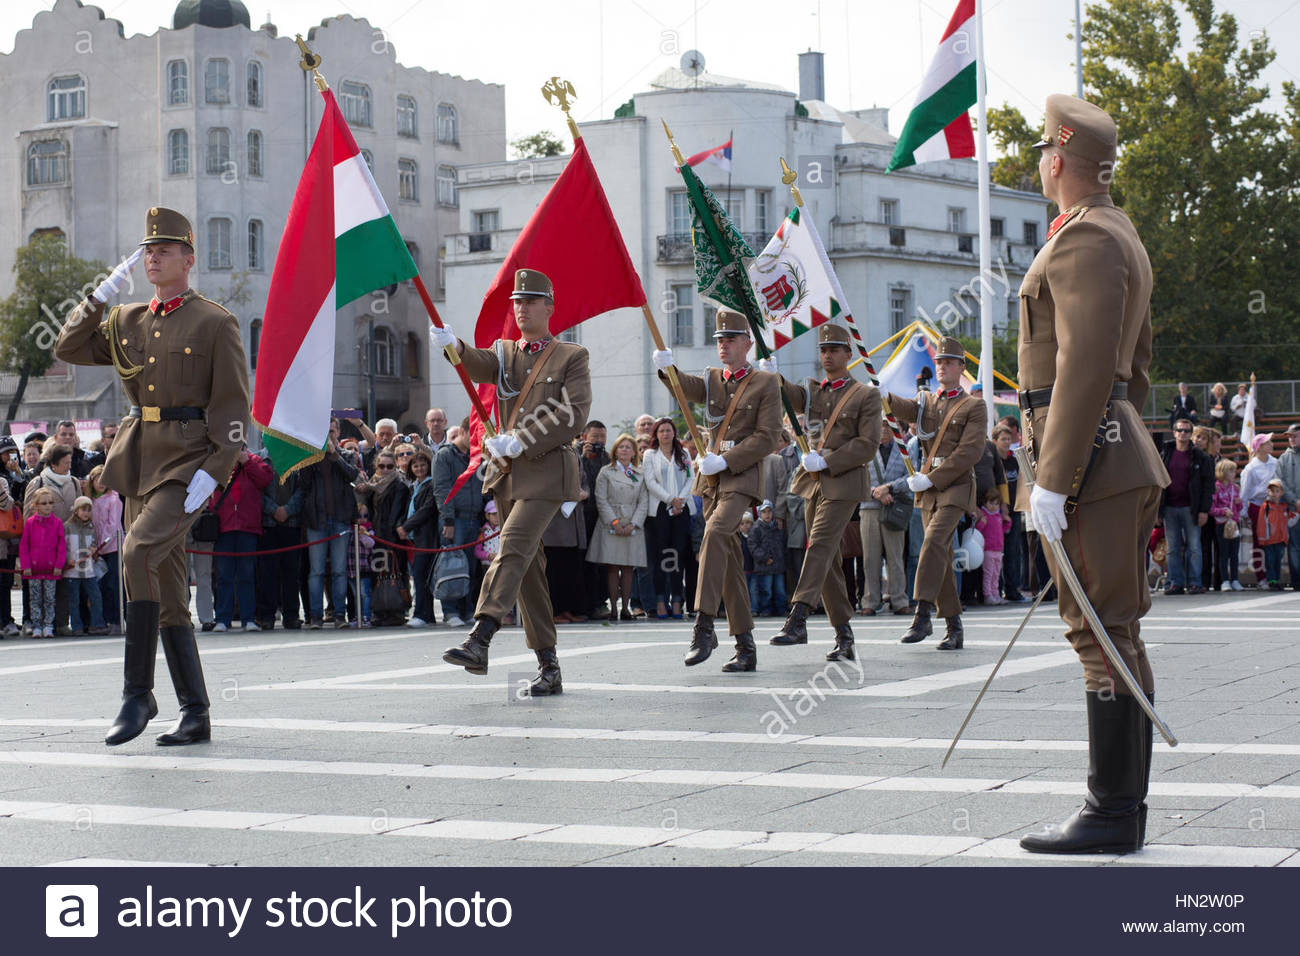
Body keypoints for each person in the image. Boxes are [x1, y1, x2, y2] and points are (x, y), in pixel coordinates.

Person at [1013, 96, 1169, 855]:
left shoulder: (1084, 241)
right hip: (1109, 450)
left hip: (1088, 460)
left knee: (1098, 633)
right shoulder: (1119, 235)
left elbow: (1082, 368)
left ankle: (1110, 813)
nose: (1039, 162)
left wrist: (1055, 474)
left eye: (1043, 151)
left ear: (1057, 160)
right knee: (1114, 630)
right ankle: (1120, 810)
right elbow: (1133, 369)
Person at [54, 206, 249, 746]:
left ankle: (137, 692)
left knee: (136, 554)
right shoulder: (126, 320)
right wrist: (98, 299)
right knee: (165, 593)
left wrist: (217, 468)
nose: (153, 256)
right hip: (139, 464)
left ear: (189, 258)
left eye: (165, 249)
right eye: (148, 251)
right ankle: (196, 712)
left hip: (188, 467)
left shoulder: (214, 321)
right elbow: (67, 348)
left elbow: (234, 404)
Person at [432, 268, 591, 696]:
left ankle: (480, 636)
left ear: (549, 307)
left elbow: (573, 414)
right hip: (507, 476)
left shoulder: (570, 356)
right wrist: (455, 346)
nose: (520, 308)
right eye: (516, 302)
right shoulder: (505, 352)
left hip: (547, 471)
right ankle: (549, 665)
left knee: (513, 546)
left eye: (529, 301)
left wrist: (521, 440)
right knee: (528, 570)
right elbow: (478, 363)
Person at [652, 309, 781, 672]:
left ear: (747, 344)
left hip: (740, 476)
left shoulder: (765, 383)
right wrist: (667, 370)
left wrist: (726, 460)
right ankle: (745, 646)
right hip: (710, 481)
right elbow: (685, 389)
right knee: (728, 565)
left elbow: (769, 436)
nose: (723, 345)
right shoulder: (712, 377)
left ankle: (704, 624)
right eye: (719, 340)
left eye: (730, 340)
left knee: (715, 532)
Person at [767, 324, 882, 661]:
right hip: (812, 483)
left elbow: (867, 444)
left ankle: (798, 616)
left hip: (843, 481)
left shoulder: (865, 395)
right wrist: (773, 375)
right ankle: (844, 637)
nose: (828, 355)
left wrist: (828, 460)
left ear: (849, 354)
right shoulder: (815, 391)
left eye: (834, 349)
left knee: (818, 544)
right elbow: (789, 397)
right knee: (828, 561)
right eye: (823, 350)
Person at [886, 336, 988, 650]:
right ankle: (954, 627)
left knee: (932, 542)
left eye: (948, 362)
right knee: (940, 554)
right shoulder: (925, 401)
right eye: (939, 362)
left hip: (955, 486)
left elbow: (968, 453)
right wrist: (880, 394)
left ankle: (923, 613)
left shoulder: (974, 405)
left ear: (961, 367)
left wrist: (932, 480)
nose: (942, 366)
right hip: (927, 489)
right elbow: (900, 407)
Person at [208, 445, 273, 632]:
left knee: (247, 575)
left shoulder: (254, 460)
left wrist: (247, 462)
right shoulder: (220, 462)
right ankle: (222, 618)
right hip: (224, 526)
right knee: (223, 576)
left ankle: (248, 618)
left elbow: (264, 479)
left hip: (248, 527)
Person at [587, 432, 649, 622]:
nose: (624, 450)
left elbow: (643, 501)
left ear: (634, 452)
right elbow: (601, 498)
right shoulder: (606, 471)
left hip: (632, 522)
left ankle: (627, 608)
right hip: (610, 522)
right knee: (612, 567)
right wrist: (614, 522)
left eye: (628, 447)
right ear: (615, 451)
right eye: (621, 447)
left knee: (628, 568)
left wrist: (634, 523)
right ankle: (613, 607)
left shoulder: (639, 473)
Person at [642, 417, 695, 619]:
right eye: (661, 430)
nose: (665, 434)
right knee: (662, 555)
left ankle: (677, 599)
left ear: (674, 433)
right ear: (656, 434)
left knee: (677, 555)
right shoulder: (650, 455)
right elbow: (650, 481)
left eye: (669, 430)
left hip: (681, 509)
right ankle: (660, 599)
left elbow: (691, 477)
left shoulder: (684, 454)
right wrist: (670, 499)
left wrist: (680, 499)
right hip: (661, 510)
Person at [432, 418, 482, 627]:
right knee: (452, 566)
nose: (477, 440)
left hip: (473, 517)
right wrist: (448, 519)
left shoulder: (477, 456)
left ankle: (467, 609)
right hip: (455, 518)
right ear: (462, 431)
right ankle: (450, 611)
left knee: (469, 567)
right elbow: (442, 489)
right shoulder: (444, 455)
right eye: (474, 435)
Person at [1158, 419, 1213, 595]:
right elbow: (1158, 482)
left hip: (1191, 507)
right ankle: (1175, 582)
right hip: (1169, 507)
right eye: (1180, 430)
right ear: (1174, 432)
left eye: (1187, 431)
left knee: (1194, 548)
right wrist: (1157, 511)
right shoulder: (1165, 453)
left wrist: (1204, 510)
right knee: (1172, 548)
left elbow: (1208, 486)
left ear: (1190, 434)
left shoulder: (1200, 456)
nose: (1183, 433)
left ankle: (1195, 583)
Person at [860, 433, 912, 618]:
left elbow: (911, 476)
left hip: (894, 507)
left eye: (885, 425)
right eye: (879, 425)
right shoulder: (865, 447)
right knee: (870, 558)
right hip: (869, 507)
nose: (882, 430)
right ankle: (870, 601)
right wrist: (877, 492)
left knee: (895, 556)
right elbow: (857, 476)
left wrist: (889, 488)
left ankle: (899, 600)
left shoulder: (903, 448)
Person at [361, 449, 410, 626]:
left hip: (392, 538)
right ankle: (380, 611)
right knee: (378, 575)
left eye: (390, 466)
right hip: (375, 536)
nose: (386, 469)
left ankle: (397, 611)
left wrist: (388, 539)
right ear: (376, 467)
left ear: (395, 466)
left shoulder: (399, 485)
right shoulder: (372, 486)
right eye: (382, 466)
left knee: (395, 574)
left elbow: (397, 512)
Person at [255, 456, 304, 631]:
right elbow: (256, 490)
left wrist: (287, 510)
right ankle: (266, 616)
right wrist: (274, 510)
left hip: (292, 524)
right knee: (267, 572)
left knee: (291, 573)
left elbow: (302, 489)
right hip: (268, 524)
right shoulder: (259, 459)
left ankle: (291, 616)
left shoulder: (296, 457)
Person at [396, 447, 439, 628]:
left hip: (426, 537)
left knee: (421, 576)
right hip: (414, 538)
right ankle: (427, 615)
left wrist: (406, 526)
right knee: (420, 576)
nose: (419, 469)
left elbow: (427, 510)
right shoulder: (413, 486)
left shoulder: (431, 485)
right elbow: (407, 508)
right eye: (416, 466)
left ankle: (421, 614)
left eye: (422, 465)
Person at [20, 488, 65, 638]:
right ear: (35, 505)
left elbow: (61, 545)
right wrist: (25, 565)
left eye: (50, 503)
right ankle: (37, 625)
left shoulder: (57, 523)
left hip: (51, 570)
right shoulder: (30, 523)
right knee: (35, 599)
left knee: (50, 599)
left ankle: (48, 625)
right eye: (44, 503)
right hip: (34, 569)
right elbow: (24, 545)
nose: (47, 506)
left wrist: (59, 565)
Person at [577, 420, 611, 620]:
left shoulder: (607, 457)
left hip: (603, 515)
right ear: (584, 437)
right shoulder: (577, 455)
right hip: (583, 515)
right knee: (584, 562)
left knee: (601, 562)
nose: (599, 441)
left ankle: (600, 602)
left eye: (602, 437)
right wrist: (585, 456)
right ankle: (585, 604)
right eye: (595, 437)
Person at [85, 466, 123, 634]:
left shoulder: (114, 499)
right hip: (96, 550)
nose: (101, 483)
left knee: (113, 584)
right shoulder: (89, 501)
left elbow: (112, 525)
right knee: (100, 585)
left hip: (111, 547)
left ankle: (116, 619)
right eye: (97, 479)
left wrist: (100, 546)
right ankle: (104, 619)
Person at [64, 495, 107, 635]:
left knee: (96, 596)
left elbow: (94, 542)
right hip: (72, 570)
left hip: (88, 570)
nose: (86, 513)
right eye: (83, 509)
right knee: (74, 600)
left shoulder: (91, 527)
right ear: (76, 510)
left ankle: (97, 624)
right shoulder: (67, 527)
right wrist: (66, 560)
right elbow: (62, 546)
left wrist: (94, 550)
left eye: (89, 510)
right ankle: (77, 626)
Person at [1210, 458, 1245, 591]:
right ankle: (1225, 580)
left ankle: (1235, 579)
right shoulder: (1216, 488)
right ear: (1223, 472)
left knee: (1234, 553)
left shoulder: (1235, 487)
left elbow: (1240, 507)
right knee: (1223, 553)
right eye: (1231, 471)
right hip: (1222, 524)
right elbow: (1211, 509)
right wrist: (1223, 511)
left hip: (1234, 523)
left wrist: (1239, 502)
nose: (1233, 474)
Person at [747, 500, 786, 617]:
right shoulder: (756, 528)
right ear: (759, 513)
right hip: (764, 565)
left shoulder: (777, 526)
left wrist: (781, 558)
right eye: (764, 512)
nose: (767, 514)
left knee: (780, 590)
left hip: (778, 565)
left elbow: (782, 544)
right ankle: (766, 609)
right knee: (766, 590)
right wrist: (765, 558)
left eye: (769, 511)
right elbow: (753, 546)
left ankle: (781, 609)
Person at [1255, 479, 1296, 590]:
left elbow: (1290, 521)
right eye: (1272, 491)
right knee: (1269, 561)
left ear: (1282, 492)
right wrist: (1262, 538)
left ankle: (1276, 580)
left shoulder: (1284, 506)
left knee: (1278, 561)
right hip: (1269, 540)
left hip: (1281, 540)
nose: (1274, 493)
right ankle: (1271, 581)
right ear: (1268, 492)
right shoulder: (1265, 506)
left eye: (1277, 491)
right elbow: (1261, 522)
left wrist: (1297, 514)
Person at [974, 487, 1011, 606]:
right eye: (991, 503)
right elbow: (976, 531)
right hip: (988, 550)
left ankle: (995, 594)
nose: (994, 506)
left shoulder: (998, 516)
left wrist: (1008, 522)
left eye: (996, 504)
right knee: (988, 574)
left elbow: (1003, 530)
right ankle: (988, 595)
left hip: (998, 550)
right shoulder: (984, 515)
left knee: (996, 574)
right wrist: (981, 523)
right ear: (985, 503)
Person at [1276, 424, 1300, 590]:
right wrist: (1295, 500)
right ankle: (1297, 581)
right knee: (1294, 546)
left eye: (1295, 435)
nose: (1291, 438)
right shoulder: (1283, 458)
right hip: (1292, 510)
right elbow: (1279, 482)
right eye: (1289, 436)